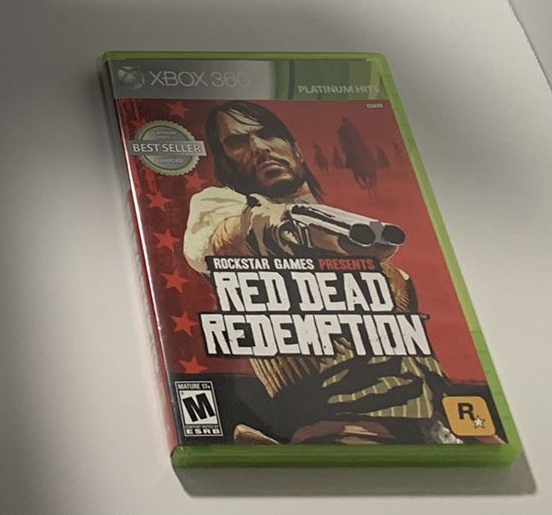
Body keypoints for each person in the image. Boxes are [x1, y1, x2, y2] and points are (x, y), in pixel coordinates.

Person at [183, 102, 452, 444]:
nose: (260, 148)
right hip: (343, 429)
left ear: (296, 149)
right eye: (238, 142)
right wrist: (302, 230)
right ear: (225, 162)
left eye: (268, 134)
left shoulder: (384, 268)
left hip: (432, 429)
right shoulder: (218, 208)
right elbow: (231, 236)